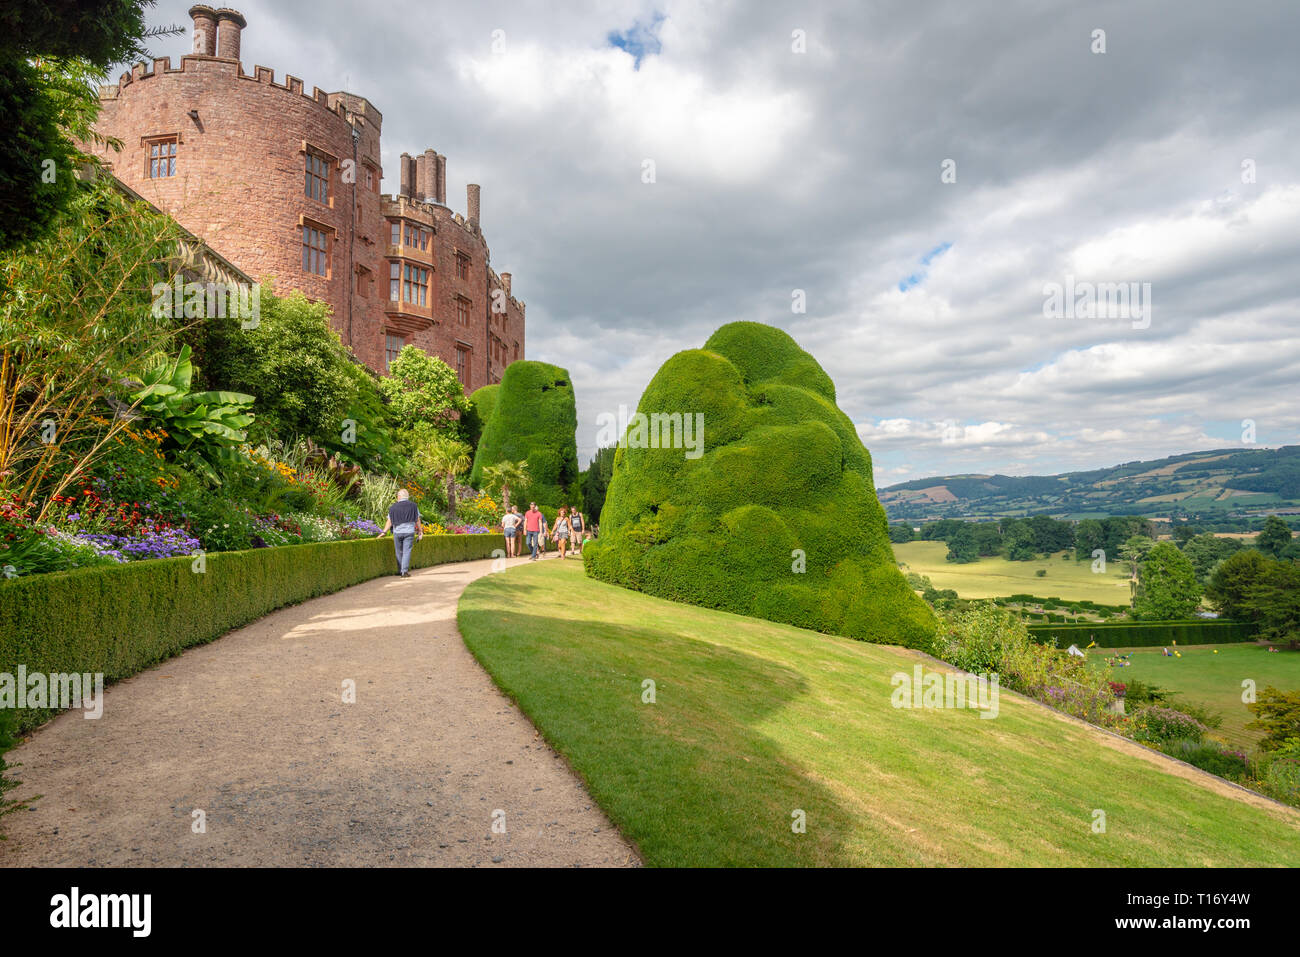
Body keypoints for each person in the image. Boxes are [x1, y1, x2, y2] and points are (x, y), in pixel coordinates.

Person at [376, 488, 423, 577]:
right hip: (409, 531)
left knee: (398, 551)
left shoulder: (393, 507)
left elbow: (389, 521)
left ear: (399, 496)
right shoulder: (413, 506)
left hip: (397, 532)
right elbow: (417, 519)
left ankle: (400, 570)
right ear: (407, 497)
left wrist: (384, 532)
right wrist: (420, 530)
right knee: (406, 551)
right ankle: (404, 571)